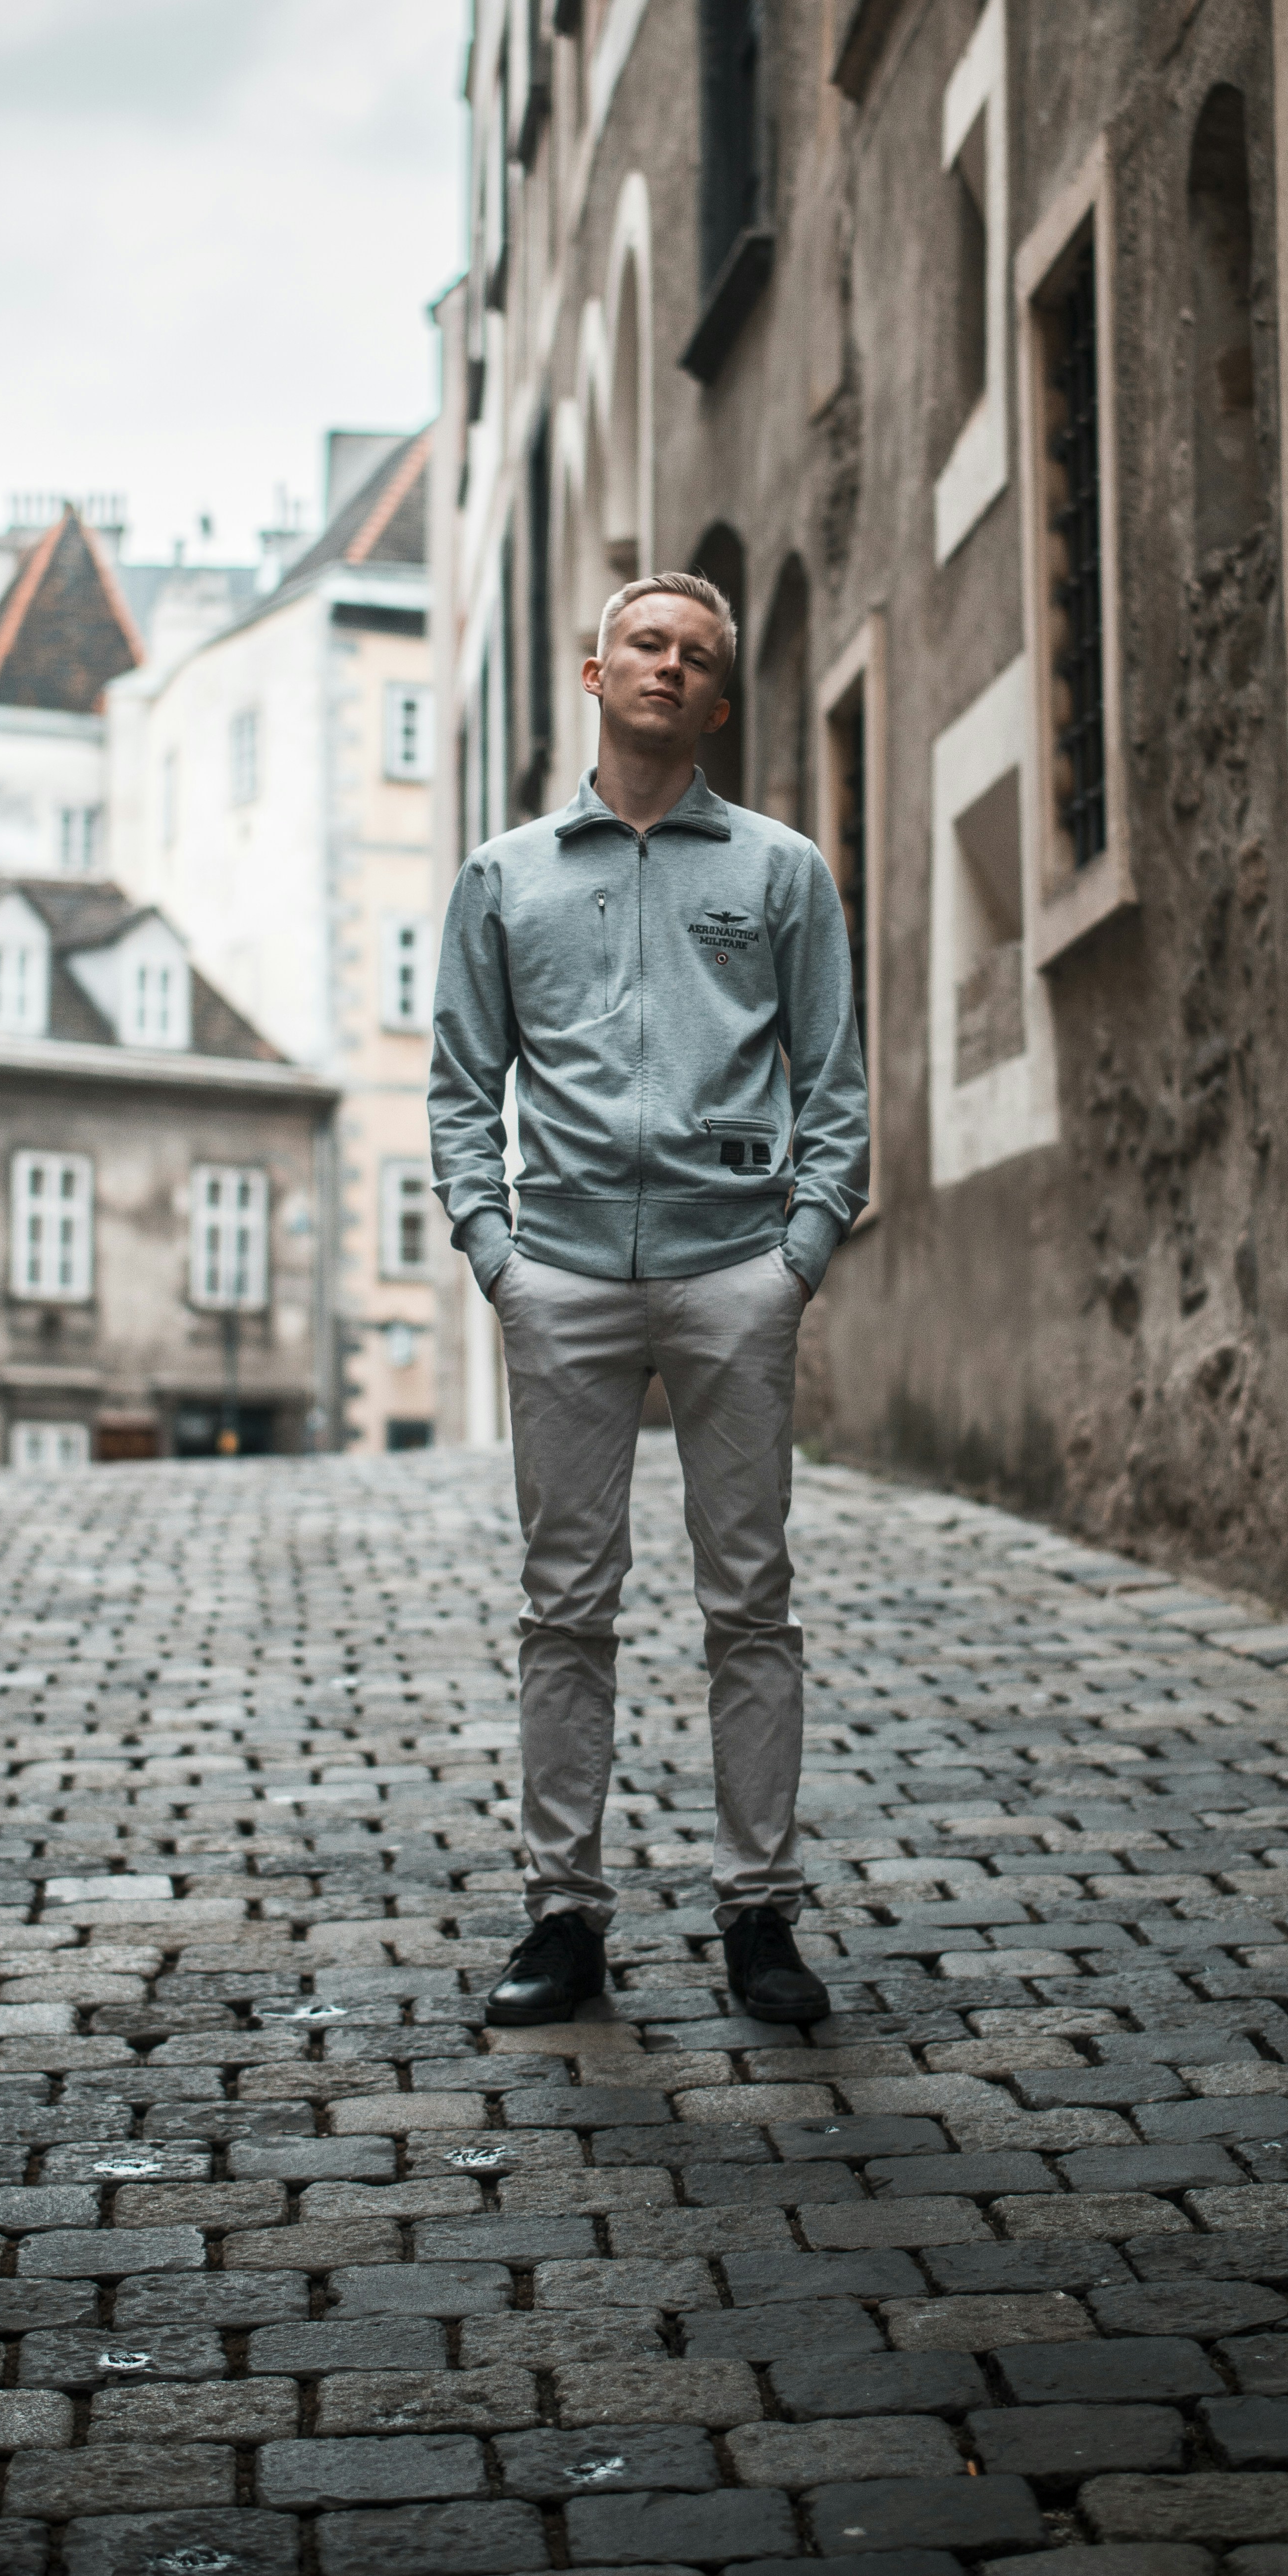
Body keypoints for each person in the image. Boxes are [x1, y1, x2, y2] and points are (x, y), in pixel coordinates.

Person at [429, 571, 869, 2029]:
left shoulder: (778, 871)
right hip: (560, 1281)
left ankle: (760, 1917)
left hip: (733, 1273)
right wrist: (500, 1255)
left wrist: (793, 1258)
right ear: (593, 670)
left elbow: (836, 1083)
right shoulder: (506, 876)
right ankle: (565, 1918)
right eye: (645, 646)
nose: (668, 669)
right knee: (568, 1608)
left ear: (720, 700)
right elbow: (458, 1086)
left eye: (696, 657)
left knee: (750, 1603)